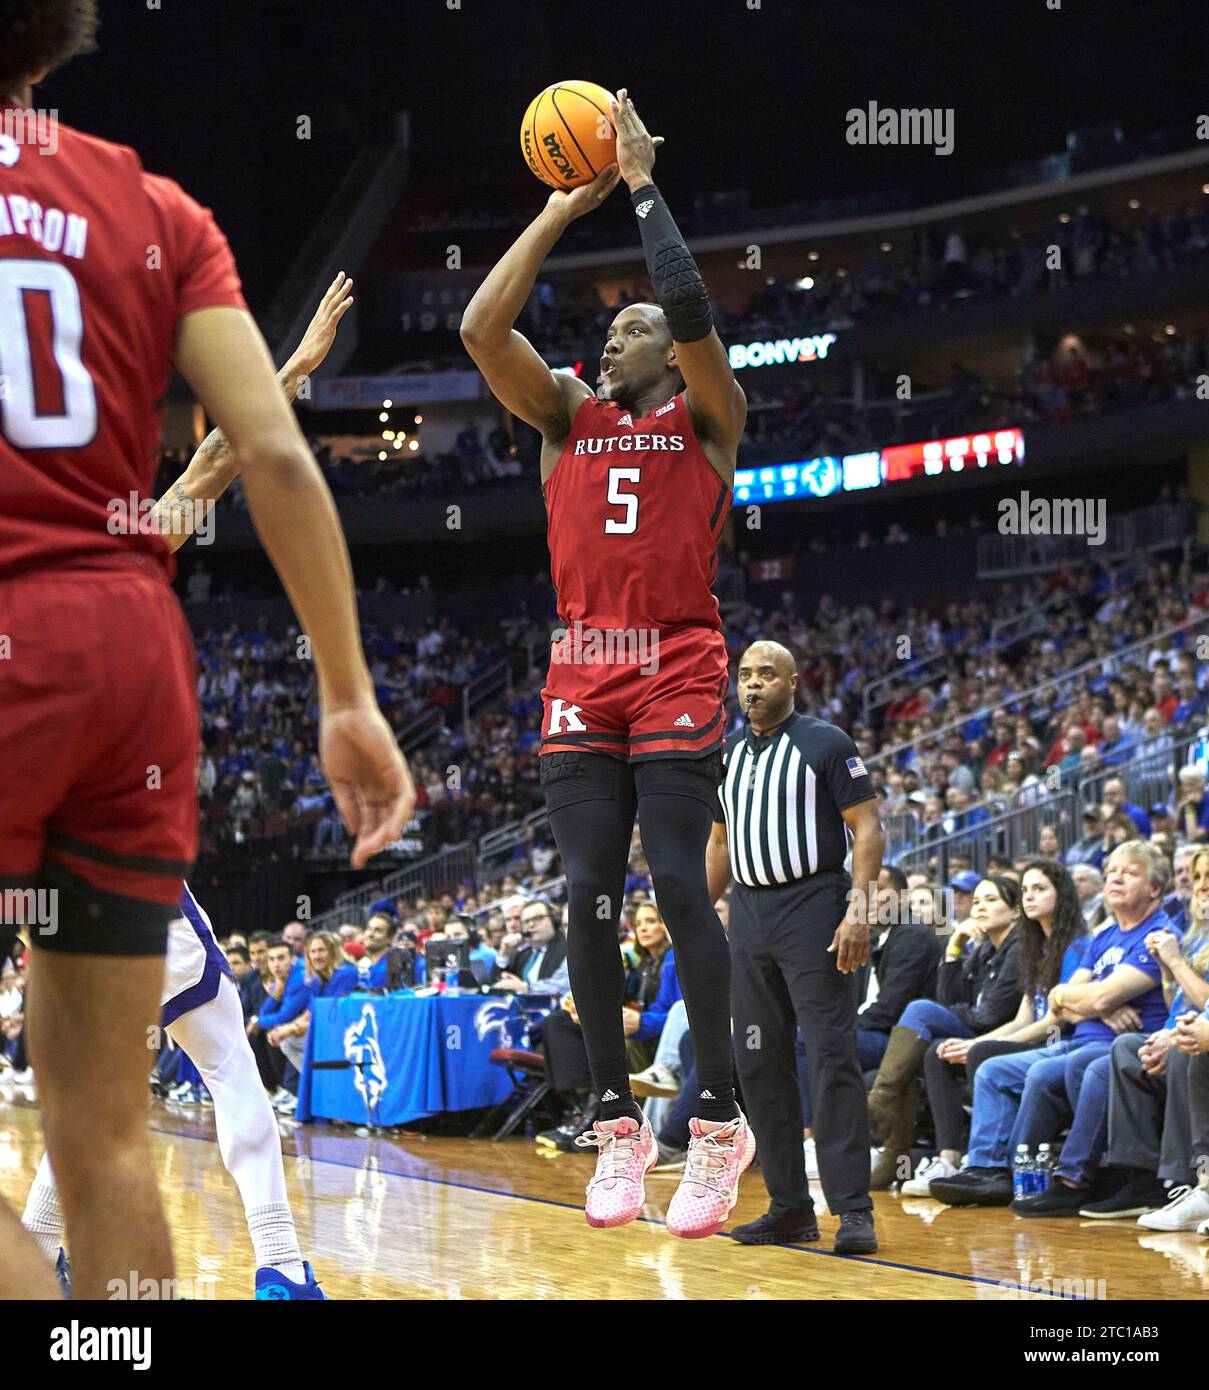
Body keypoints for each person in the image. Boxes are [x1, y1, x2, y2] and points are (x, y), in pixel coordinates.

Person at [0, 13, 412, 1297]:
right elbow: (265, 454)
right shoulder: (151, 206)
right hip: (127, 662)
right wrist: (346, 693)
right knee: (107, 1137)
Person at [462, 89, 749, 1235]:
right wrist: (555, 211)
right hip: (584, 664)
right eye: (611, 329)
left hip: (677, 657)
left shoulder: (710, 416)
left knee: (680, 882)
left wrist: (637, 185)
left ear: (663, 356)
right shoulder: (563, 420)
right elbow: (484, 330)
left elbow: (684, 304)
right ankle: (618, 1127)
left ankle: (718, 1124)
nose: (610, 336)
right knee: (584, 893)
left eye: (626, 327)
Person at [22, 887, 327, 1299]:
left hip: (54, 926)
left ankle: (35, 1256)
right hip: (134, 891)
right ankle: (282, 1267)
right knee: (230, 1073)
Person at [708, 642, 884, 1254]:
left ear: (792, 682)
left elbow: (867, 826)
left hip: (815, 905)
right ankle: (788, 1207)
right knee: (757, 1061)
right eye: (745, 675)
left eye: (765, 674)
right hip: (750, 914)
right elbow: (721, 839)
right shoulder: (725, 754)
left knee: (832, 1055)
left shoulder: (825, 742)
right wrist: (698, 913)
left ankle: (854, 1211)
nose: (752, 684)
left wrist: (858, 909)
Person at [931, 840, 1173, 1206]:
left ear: (1155, 888)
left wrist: (1093, 1000)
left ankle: (1058, 1177)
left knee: (1051, 1071)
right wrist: (1091, 1000)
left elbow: (1091, 999)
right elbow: (1061, 999)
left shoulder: (1154, 934)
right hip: (1077, 1039)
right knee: (992, 1070)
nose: (1116, 879)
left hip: (1115, 1042)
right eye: (1112, 872)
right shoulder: (1105, 935)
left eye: (1130, 873)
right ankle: (988, 1168)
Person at [903, 861, 1086, 1194]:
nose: (1029, 896)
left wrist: (977, 1044)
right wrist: (970, 1042)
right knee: (939, 1052)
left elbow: (1053, 1021)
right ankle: (950, 1157)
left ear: (1063, 895)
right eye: (1026, 889)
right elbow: (1023, 1018)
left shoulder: (1075, 945)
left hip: (1065, 1042)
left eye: (1039, 889)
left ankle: (989, 1162)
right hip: (1036, 1035)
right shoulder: (1037, 949)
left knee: (980, 1050)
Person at [865, 875, 1023, 1188]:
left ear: (1016, 910)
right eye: (977, 901)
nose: (980, 908)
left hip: (1008, 1035)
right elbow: (950, 1000)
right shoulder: (983, 949)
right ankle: (940, 1158)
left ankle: (881, 1101)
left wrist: (955, 1013)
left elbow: (988, 1015)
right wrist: (953, 948)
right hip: (978, 1027)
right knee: (931, 1049)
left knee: (921, 1010)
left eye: (991, 900)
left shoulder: (1018, 948)